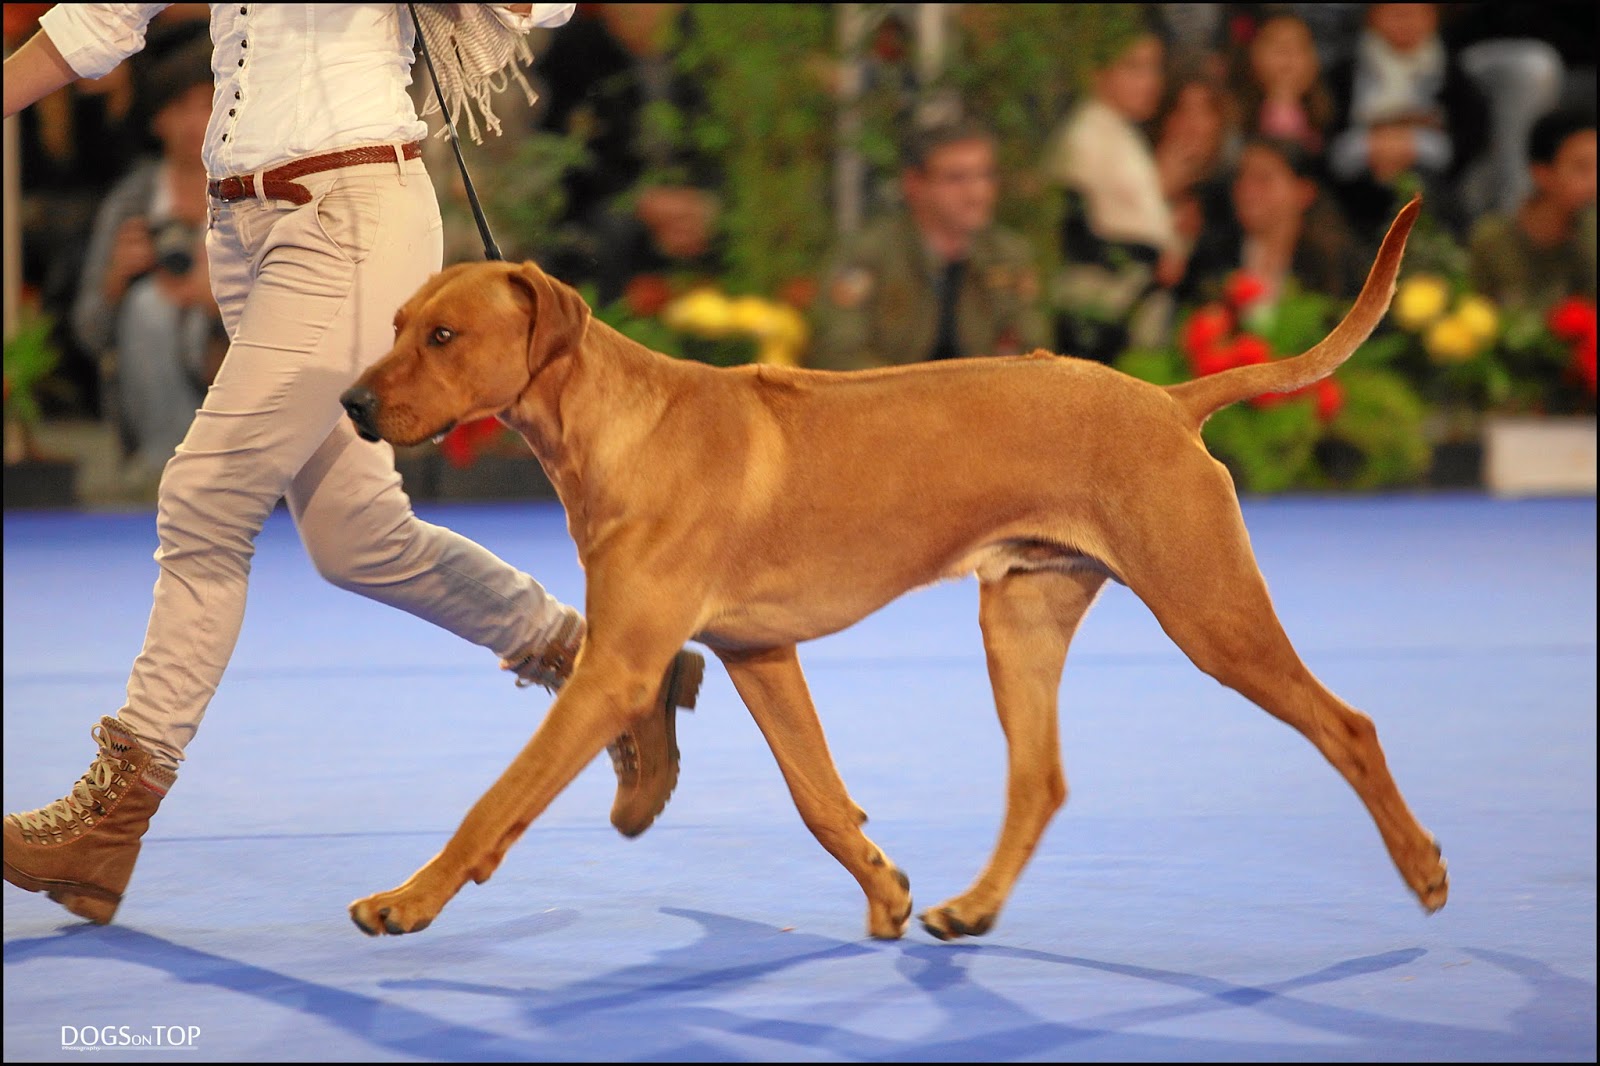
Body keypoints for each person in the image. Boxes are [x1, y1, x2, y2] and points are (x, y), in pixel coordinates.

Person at [2, 2, 704, 927]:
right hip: (242, 226)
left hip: (348, 212)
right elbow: (102, 17)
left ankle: (109, 820)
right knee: (357, 539)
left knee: (206, 499)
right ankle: (602, 664)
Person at [71, 27, 226, 501]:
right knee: (149, 306)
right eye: (181, 107)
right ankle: (167, 463)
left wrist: (213, 298)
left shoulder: (251, 193)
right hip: (151, 377)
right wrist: (116, 280)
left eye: (207, 104)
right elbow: (89, 331)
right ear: (158, 120)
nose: (195, 122)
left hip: (227, 356)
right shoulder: (132, 202)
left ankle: (226, 465)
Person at [807, 118, 1046, 371]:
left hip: (981, 402)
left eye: (986, 176)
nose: (977, 193)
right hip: (890, 403)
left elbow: (1033, 351)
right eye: (956, 178)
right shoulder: (869, 256)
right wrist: (914, 397)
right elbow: (839, 352)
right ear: (914, 185)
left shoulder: (1006, 256)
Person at [1043, 24, 1184, 362]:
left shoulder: (1121, 131)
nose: (1150, 81)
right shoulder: (1083, 136)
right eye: (1134, 67)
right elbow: (1071, 234)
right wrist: (1149, 256)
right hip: (1101, 314)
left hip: (1137, 308)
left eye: (1154, 68)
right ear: (1097, 73)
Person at [1324, 2, 1490, 239]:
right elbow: (1328, 124)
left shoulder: (1450, 68)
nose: (1406, 22)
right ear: (1373, 16)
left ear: (1433, 18)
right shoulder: (1346, 68)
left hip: (1427, 161)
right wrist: (1377, 145)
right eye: (1396, 13)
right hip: (1362, 158)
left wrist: (1408, 145)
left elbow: (1471, 131)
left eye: (1416, 13)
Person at [1183, 136, 1368, 309]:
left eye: (1263, 179)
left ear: (1304, 192)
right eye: (1241, 177)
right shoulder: (1213, 257)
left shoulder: (1335, 264)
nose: (1247, 191)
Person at [1468, 108, 1597, 313]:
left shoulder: (1590, 232)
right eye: (1582, 168)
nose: (1593, 182)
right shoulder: (1492, 239)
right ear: (1542, 173)